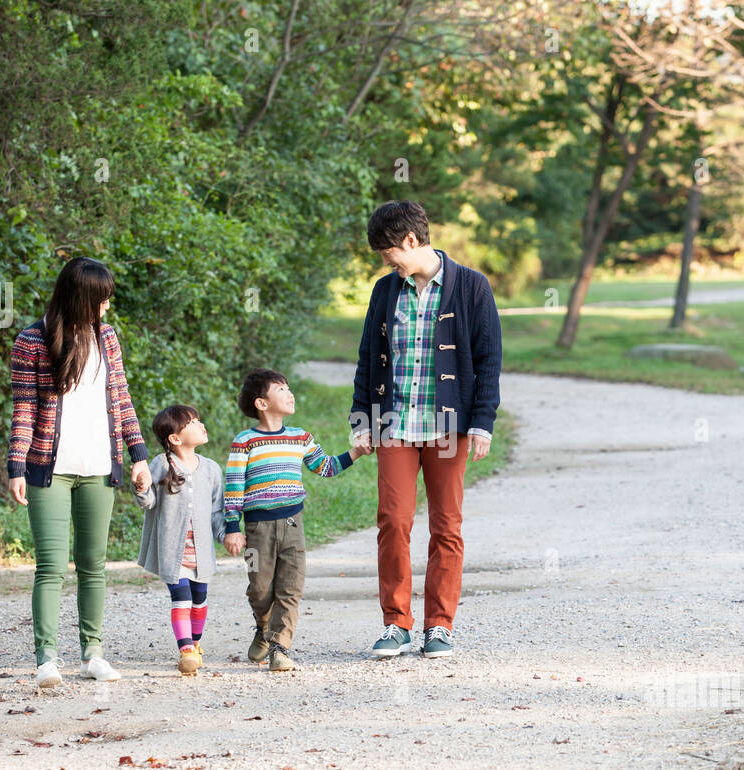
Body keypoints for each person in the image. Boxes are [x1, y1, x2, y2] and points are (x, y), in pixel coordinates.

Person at [350, 200, 502, 660]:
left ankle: (439, 626)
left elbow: (488, 360)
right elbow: (366, 358)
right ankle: (396, 623)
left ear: (411, 241)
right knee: (393, 522)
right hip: (395, 423)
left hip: (448, 425)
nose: (386, 261)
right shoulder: (385, 291)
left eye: (388, 251)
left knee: (446, 526)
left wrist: (483, 422)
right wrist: (362, 420)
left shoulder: (471, 287)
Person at [7, 256, 151, 688]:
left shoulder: (106, 337)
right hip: (48, 467)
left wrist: (138, 454)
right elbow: (24, 408)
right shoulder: (31, 341)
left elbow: (122, 398)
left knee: (93, 564)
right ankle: (46, 659)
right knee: (50, 565)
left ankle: (92, 654)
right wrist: (16, 465)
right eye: (102, 298)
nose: (108, 306)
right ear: (81, 298)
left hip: (98, 466)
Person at [223, 368, 370, 672]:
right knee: (259, 588)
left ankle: (280, 648)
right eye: (281, 389)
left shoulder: (300, 437)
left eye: (289, 388)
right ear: (261, 403)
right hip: (255, 530)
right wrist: (232, 529)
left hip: (293, 526)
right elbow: (233, 488)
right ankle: (263, 627)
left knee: (291, 589)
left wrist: (354, 453)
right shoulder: (245, 442)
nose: (290, 393)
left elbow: (325, 466)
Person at [134, 404, 226, 677]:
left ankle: (195, 644)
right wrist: (141, 488)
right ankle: (185, 649)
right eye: (193, 422)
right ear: (175, 438)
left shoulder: (210, 469)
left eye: (199, 419)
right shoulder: (161, 464)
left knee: (199, 599)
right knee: (181, 596)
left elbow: (217, 510)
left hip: (200, 552)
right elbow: (149, 501)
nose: (201, 424)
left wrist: (226, 535)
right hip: (172, 550)